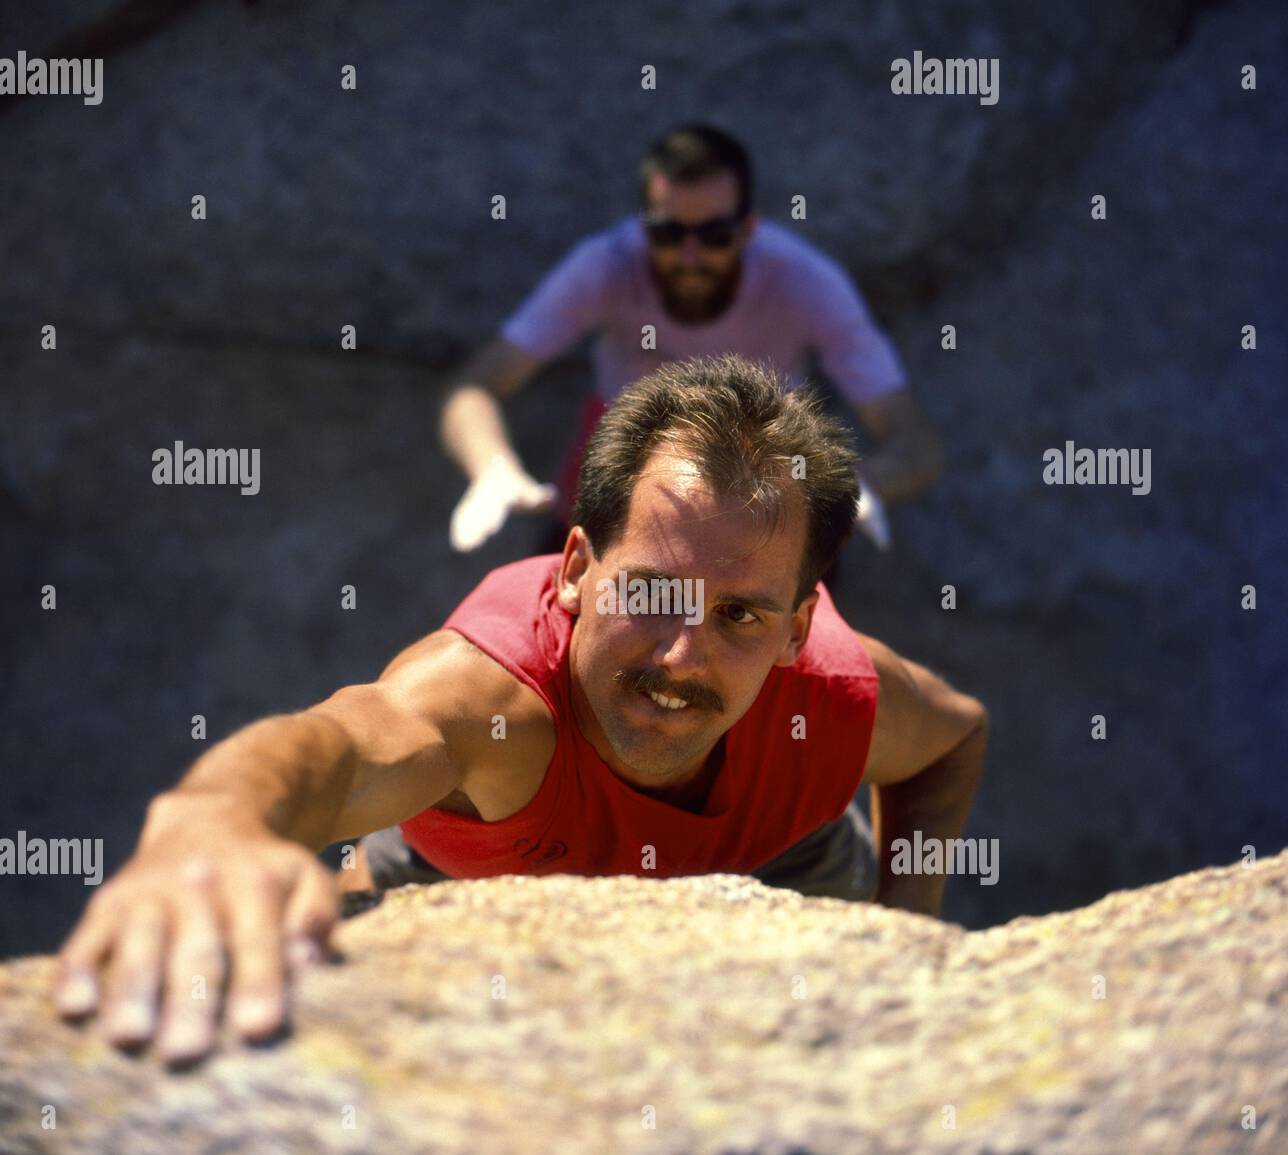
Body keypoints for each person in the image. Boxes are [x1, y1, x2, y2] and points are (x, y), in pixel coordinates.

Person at [53, 356, 986, 1066]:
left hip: (786, 859)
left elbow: (954, 741)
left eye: (739, 615)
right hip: (462, 873)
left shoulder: (833, 694)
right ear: (576, 570)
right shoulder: (493, 704)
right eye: (652, 593)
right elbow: (339, 745)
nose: (680, 656)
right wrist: (219, 818)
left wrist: (910, 942)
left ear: (795, 629)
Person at [442, 123, 943, 556]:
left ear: (748, 229)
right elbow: (476, 385)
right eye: (667, 233)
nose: (689, 255)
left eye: (714, 235)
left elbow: (914, 441)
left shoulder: (805, 280)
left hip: (763, 478)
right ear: (643, 227)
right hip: (624, 460)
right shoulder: (606, 264)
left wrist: (855, 485)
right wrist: (492, 467)